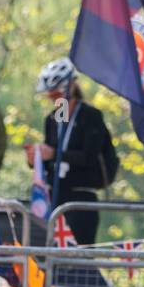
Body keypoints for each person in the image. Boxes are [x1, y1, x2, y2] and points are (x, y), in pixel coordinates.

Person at [25, 58, 115, 245]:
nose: (55, 100)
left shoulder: (90, 116)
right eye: (51, 96)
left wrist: (55, 153)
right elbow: (53, 154)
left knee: (79, 254)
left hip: (81, 197)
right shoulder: (53, 119)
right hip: (56, 196)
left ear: (72, 87)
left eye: (58, 94)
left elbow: (89, 157)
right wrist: (37, 159)